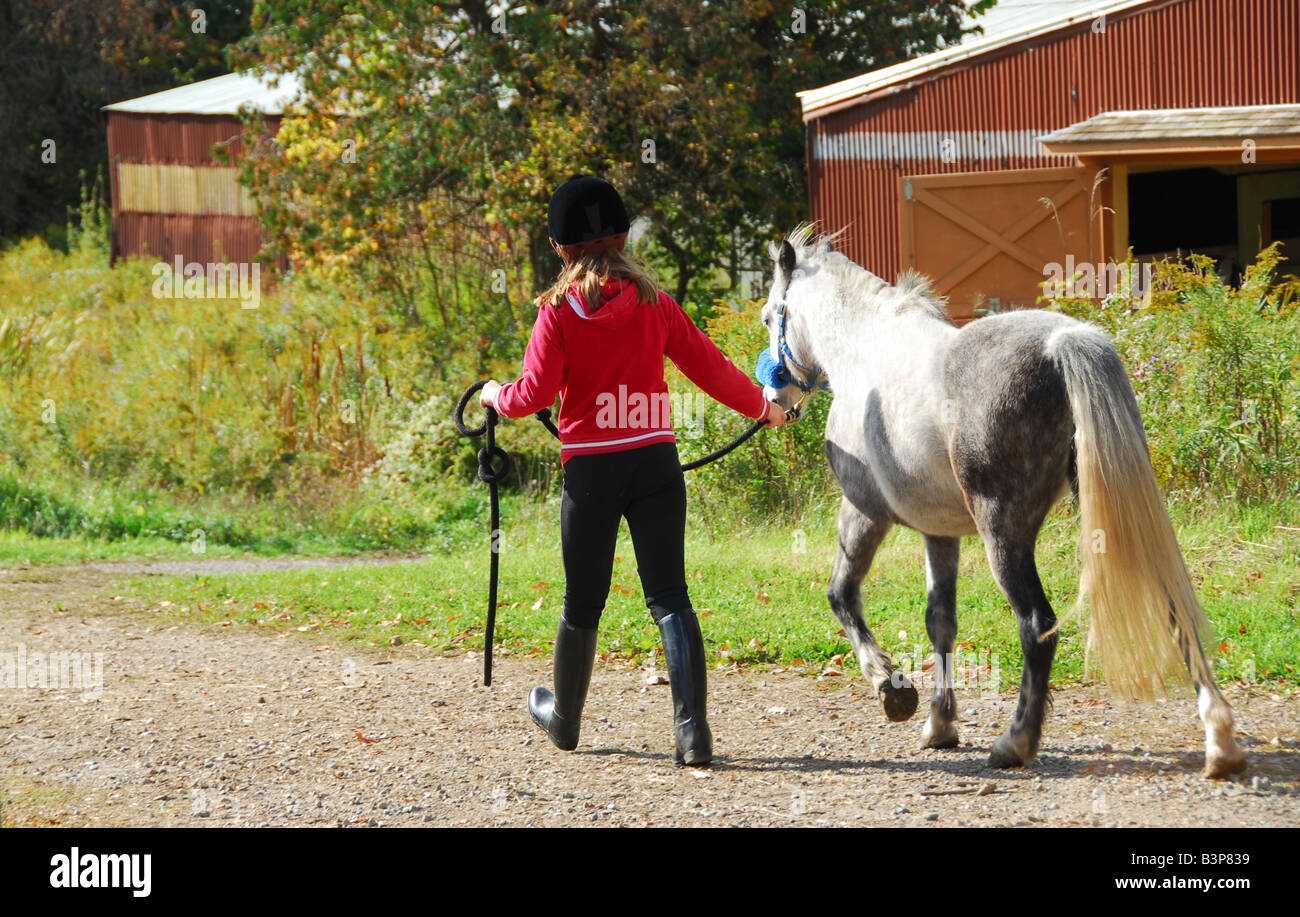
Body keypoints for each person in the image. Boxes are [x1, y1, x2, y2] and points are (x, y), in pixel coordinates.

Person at [479, 175, 787, 766]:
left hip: (591, 470)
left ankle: (564, 721)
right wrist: (762, 408)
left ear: (558, 247)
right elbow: (710, 366)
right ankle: (693, 733)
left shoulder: (557, 314)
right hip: (655, 464)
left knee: (582, 601)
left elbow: (533, 394)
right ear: (622, 236)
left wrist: (495, 394)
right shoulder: (654, 301)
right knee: (670, 596)